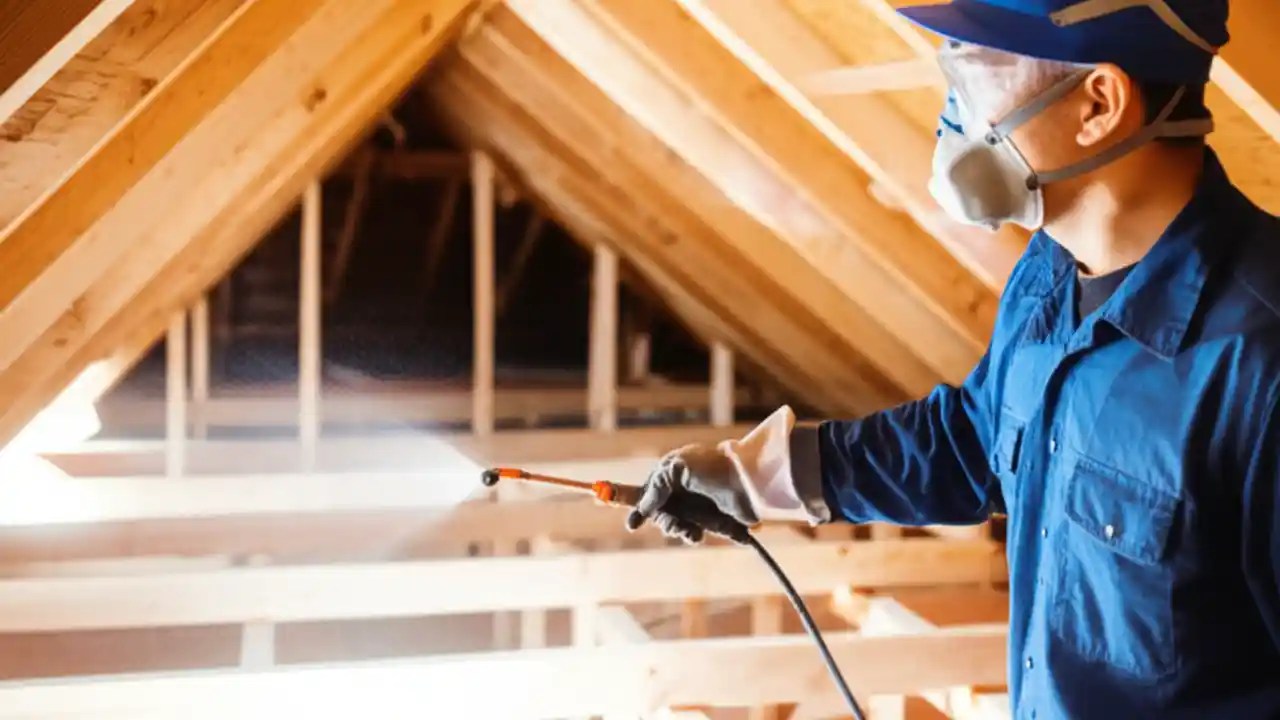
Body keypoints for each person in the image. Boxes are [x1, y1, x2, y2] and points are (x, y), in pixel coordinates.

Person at [624, 1, 1280, 717]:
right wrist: (760, 476)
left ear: (1098, 102)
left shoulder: (1259, 359)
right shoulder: (1049, 274)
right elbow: (974, 440)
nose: (952, 114)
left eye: (976, 73)